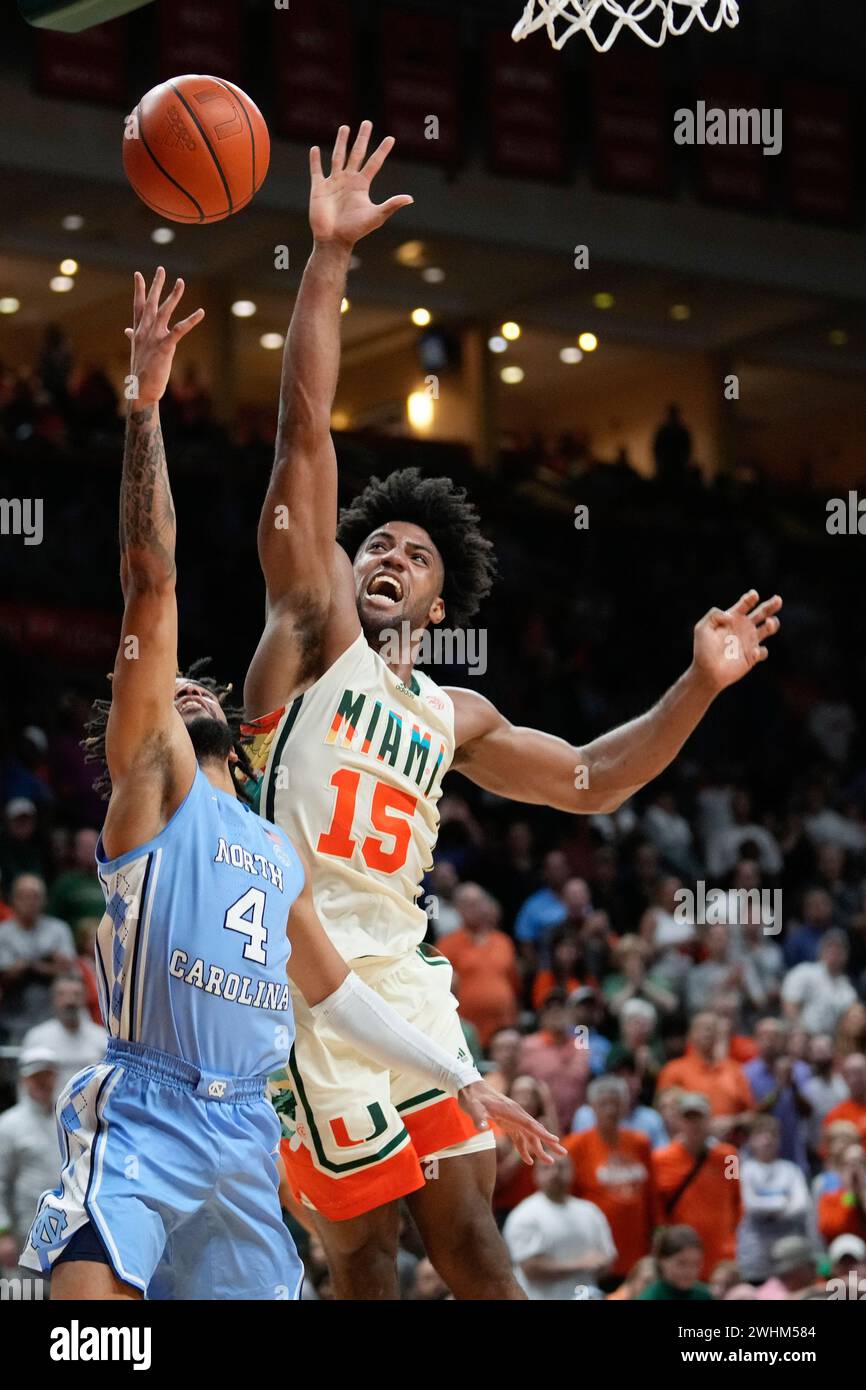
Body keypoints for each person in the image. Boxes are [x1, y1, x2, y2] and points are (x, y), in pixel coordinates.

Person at [240, 118, 782, 1300]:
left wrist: (697, 680)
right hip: (292, 970)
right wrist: (328, 260)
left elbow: (592, 780)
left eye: (413, 554)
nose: (384, 555)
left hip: (405, 974)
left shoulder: (455, 712)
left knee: (476, 1244)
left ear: (440, 598)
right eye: (371, 541)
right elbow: (300, 441)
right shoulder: (309, 634)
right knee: (367, 1259)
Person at [19, 269, 555, 1304]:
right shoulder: (147, 795)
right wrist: (142, 408)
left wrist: (461, 1077)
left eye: (192, 685)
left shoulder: (273, 860)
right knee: (86, 1329)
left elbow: (347, 999)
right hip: (144, 1109)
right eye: (162, 694)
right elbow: (151, 574)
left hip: (239, 1129)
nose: (181, 687)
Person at [565, 1076, 653, 1278]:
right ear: (592, 1107)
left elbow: (651, 1195)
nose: (611, 1110)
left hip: (636, 1247)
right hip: (594, 1250)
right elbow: (570, 1199)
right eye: (604, 1103)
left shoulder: (640, 1143)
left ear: (625, 1106)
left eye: (616, 1103)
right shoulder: (575, 1146)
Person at [651, 1093, 741, 1278]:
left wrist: (729, 1236)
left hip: (721, 1253)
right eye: (688, 1118)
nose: (694, 1124)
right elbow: (656, 1209)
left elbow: (737, 1200)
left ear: (709, 1120)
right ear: (678, 1121)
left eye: (699, 1118)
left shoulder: (729, 1157)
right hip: (681, 1256)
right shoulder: (660, 1159)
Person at [503, 1155, 616, 1300]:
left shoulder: (590, 1211)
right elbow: (529, 1268)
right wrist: (582, 1263)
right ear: (535, 1174)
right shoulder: (524, 1214)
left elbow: (608, 1261)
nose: (555, 1172)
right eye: (547, 1167)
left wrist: (600, 1264)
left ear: (573, 1171)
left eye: (561, 1167)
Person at [0, 1047, 59, 1283]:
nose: (42, 1082)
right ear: (24, 1079)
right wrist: (3, 1233)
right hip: (23, 1237)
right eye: (36, 1076)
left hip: (65, 1233)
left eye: (47, 1074)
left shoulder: (69, 1118)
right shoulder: (8, 1125)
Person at [438, 884, 519, 1047]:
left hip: (503, 1030)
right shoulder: (447, 945)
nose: (474, 908)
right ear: (458, 909)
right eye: (467, 904)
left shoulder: (503, 941)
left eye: (478, 902)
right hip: (465, 1033)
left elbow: (514, 984)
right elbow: (438, 988)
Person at [0, 874, 76, 1040]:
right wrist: (46, 961)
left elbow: (68, 971)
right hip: (13, 1019)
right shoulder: (3, 933)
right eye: (24, 896)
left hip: (53, 1019)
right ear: (13, 899)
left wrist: (28, 964)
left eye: (35, 896)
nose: (30, 902)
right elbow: (7, 974)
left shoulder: (58, 929)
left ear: (44, 900)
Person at [736, 1116, 812, 1282]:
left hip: (787, 1256)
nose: (767, 1139)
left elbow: (800, 1206)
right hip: (755, 1255)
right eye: (761, 1134)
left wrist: (769, 1209)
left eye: (772, 1134)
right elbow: (751, 1205)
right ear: (750, 1141)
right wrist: (782, 1202)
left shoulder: (791, 1170)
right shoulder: (743, 1169)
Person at [655, 1012, 754, 1135]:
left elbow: (751, 1115)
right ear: (690, 1035)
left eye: (712, 1028)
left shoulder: (734, 1069)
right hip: (687, 1144)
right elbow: (663, 1114)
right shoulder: (673, 1070)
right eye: (702, 1028)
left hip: (730, 1146)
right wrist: (703, 1128)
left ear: (719, 1035)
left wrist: (732, 1122)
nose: (707, 1032)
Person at [743, 1018, 811, 1170]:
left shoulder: (801, 1070)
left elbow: (808, 1112)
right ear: (756, 1040)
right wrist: (779, 1090)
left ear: (784, 1040)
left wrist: (792, 1085)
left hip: (793, 1150)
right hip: (759, 1154)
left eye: (774, 1036)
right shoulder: (747, 1073)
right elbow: (752, 1115)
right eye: (764, 1036)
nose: (769, 1041)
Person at [520, 991, 591, 1133]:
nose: (557, 1013)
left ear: (571, 1015)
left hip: (576, 1126)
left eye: (561, 1009)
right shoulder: (528, 1046)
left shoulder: (581, 1046)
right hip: (541, 1124)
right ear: (542, 1017)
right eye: (551, 1010)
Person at [19, 974, 106, 1091]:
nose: (69, 1001)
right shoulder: (36, 1037)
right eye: (62, 995)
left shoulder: (102, 1038)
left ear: (85, 998)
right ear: (53, 999)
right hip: (49, 1108)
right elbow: (25, 1083)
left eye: (76, 994)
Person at [782, 930, 857, 1036]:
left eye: (839, 949)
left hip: (831, 1041)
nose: (835, 953)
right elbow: (790, 1004)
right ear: (821, 951)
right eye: (830, 947)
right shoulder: (804, 972)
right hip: (799, 1034)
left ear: (846, 955)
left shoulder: (848, 989)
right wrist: (802, 1032)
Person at [47, 828, 105, 942]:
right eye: (84, 846)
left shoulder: (112, 881)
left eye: (92, 845)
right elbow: (52, 922)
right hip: (74, 947)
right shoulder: (65, 883)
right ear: (75, 850)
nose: (89, 850)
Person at [637, 1226, 712, 1301]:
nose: (689, 1271)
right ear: (662, 1260)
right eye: (682, 1263)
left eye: (696, 1264)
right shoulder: (651, 1297)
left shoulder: (704, 1295)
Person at [817, 1143, 866, 1245]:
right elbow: (834, 1228)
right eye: (850, 1163)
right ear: (840, 1169)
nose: (855, 1169)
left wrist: (861, 1194)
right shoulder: (829, 1199)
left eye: (860, 1162)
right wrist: (850, 1195)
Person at [822, 1053, 866, 1142]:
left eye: (860, 1073)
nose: (856, 1079)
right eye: (850, 1074)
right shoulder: (835, 1115)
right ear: (844, 1078)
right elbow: (826, 1151)